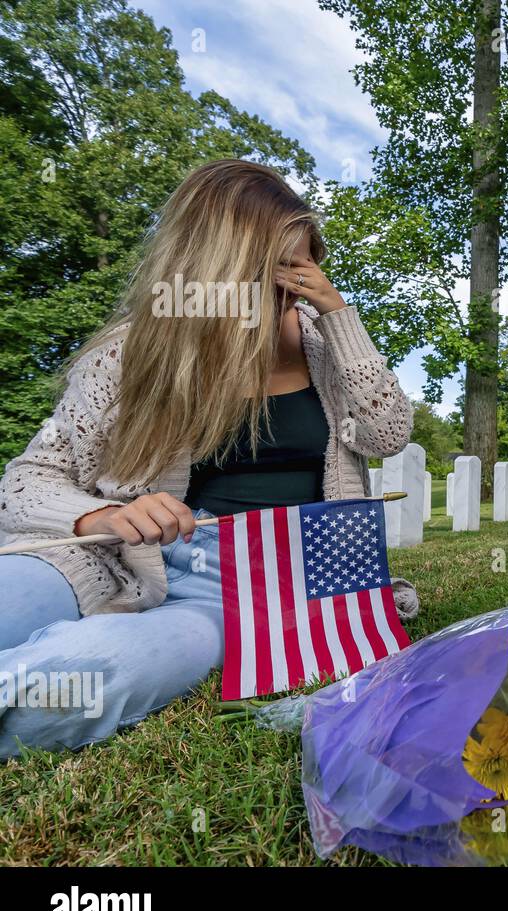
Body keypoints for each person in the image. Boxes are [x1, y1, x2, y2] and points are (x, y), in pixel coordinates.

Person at [0, 158, 413, 758]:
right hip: (122, 560)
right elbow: (23, 483)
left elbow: (388, 432)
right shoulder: (132, 355)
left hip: (243, 591)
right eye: (269, 276)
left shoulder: (326, 348)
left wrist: (341, 318)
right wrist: (101, 518)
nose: (286, 295)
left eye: (300, 271)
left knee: (63, 689)